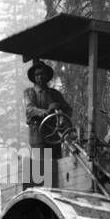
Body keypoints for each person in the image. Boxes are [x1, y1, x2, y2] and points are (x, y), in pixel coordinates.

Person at [24, 60, 73, 188]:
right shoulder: (30, 92)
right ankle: (41, 190)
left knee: (57, 163)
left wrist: (63, 121)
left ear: (46, 76)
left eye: (42, 74)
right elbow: (29, 109)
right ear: (34, 78)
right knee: (41, 164)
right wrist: (47, 112)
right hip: (38, 134)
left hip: (54, 134)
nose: (40, 77)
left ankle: (58, 190)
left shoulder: (55, 94)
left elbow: (68, 110)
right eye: (37, 75)